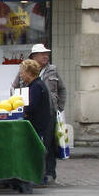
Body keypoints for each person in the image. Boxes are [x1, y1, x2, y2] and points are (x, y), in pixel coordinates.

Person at [28, 43, 62, 182]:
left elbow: (62, 89)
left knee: (49, 143)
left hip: (50, 113)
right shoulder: (26, 70)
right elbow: (15, 86)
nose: (45, 56)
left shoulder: (52, 70)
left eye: (46, 53)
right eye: (42, 54)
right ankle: (39, 172)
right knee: (38, 143)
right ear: (34, 56)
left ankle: (49, 172)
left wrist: (59, 107)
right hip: (34, 113)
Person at [20, 58, 55, 185]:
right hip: (40, 125)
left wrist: (22, 110)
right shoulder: (36, 85)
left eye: (22, 71)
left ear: (29, 73)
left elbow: (31, 106)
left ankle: (40, 178)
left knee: (36, 152)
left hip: (38, 125)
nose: (21, 74)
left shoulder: (36, 86)